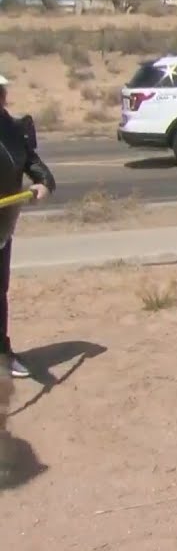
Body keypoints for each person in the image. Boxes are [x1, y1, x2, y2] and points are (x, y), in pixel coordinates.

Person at [0, 74, 54, 379]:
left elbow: (36, 166)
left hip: (2, 229)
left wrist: (42, 184)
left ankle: (2, 355)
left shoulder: (13, 130)